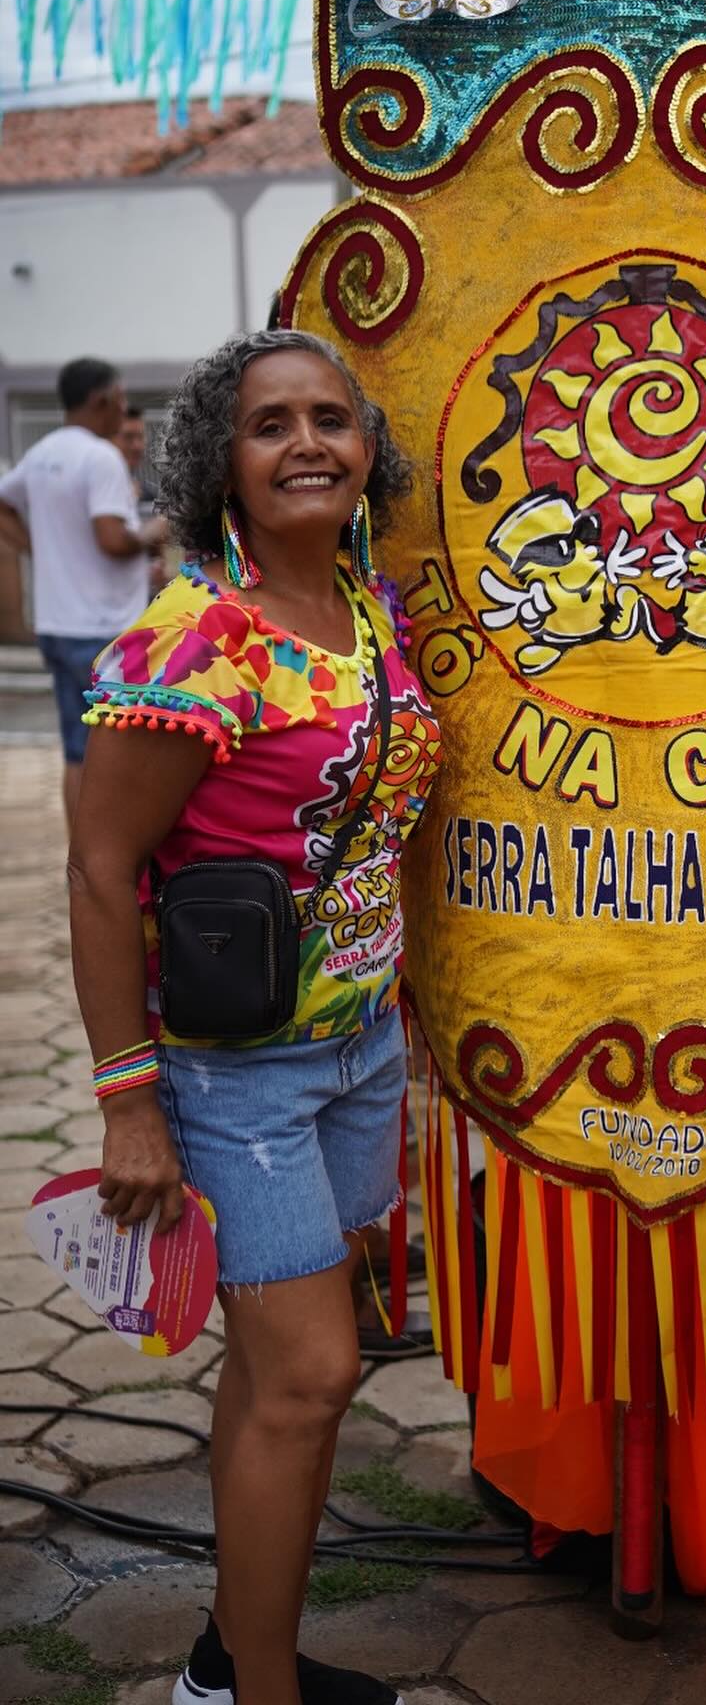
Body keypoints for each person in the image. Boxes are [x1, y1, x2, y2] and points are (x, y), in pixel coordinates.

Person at [67, 329, 442, 1705]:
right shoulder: (191, 644)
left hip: (357, 1051)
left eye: (330, 420)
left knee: (277, 1369)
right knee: (314, 1377)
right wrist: (128, 1101)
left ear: (365, 449)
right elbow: (102, 869)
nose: (305, 444)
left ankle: (235, 1663)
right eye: (268, 422)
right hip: (236, 1077)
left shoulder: (370, 604)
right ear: (216, 459)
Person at [0, 358, 166, 830]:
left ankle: (85, 851)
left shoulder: (43, 453)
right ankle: (111, 851)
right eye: (119, 397)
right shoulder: (100, 458)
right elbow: (113, 541)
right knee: (120, 752)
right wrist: (154, 529)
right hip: (102, 630)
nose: (122, 408)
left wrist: (41, 551)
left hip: (57, 625)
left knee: (78, 749)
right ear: (100, 400)